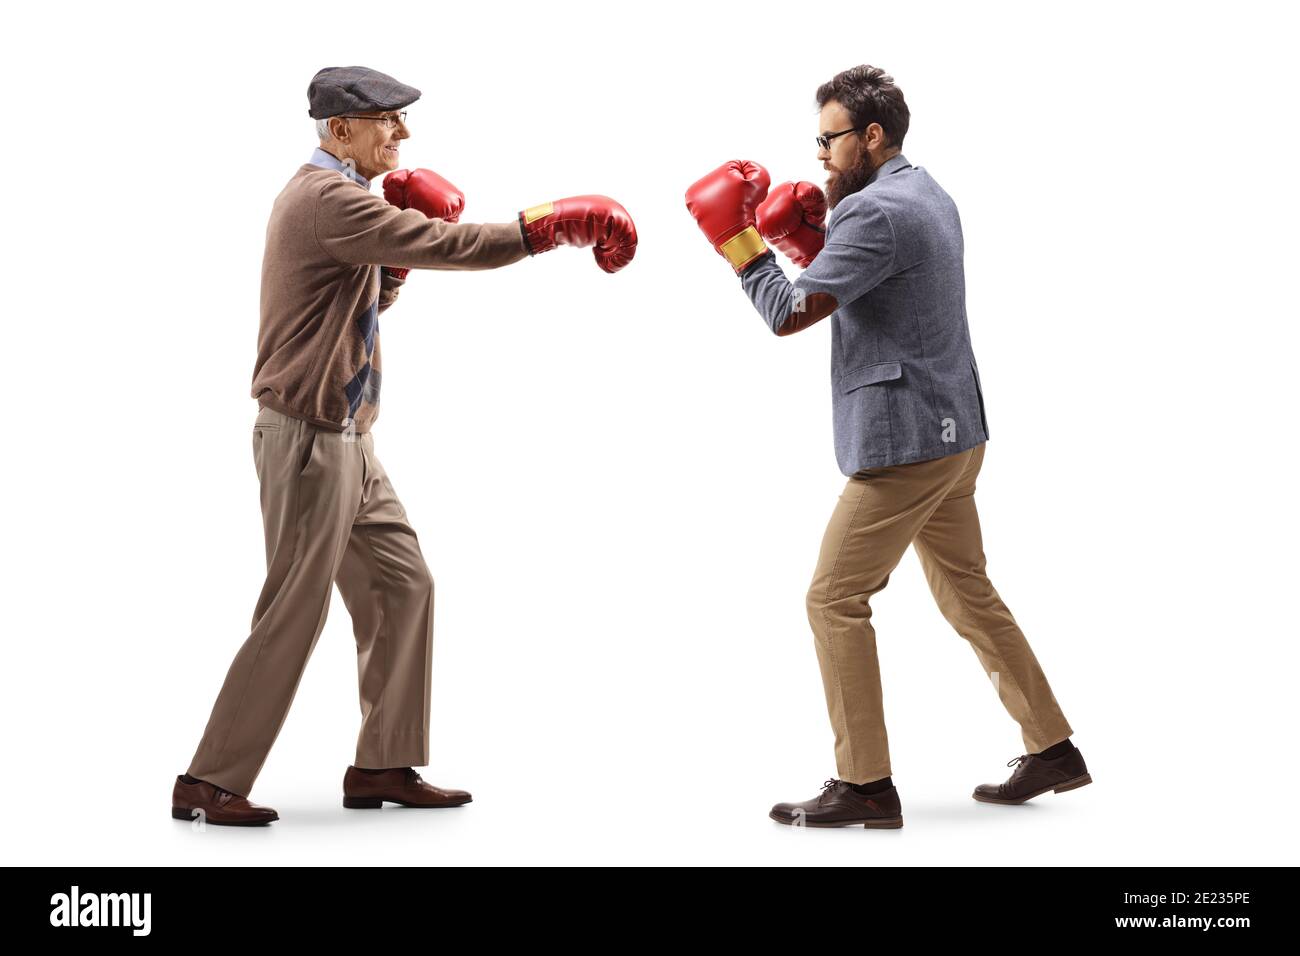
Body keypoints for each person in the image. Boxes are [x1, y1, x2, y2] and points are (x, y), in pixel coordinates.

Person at [173, 65, 637, 826]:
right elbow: (451, 246)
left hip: (350, 438)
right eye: (389, 118)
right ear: (341, 130)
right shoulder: (323, 198)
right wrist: (550, 224)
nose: (403, 133)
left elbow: (371, 296)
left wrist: (390, 273)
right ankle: (208, 780)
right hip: (307, 437)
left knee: (403, 584)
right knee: (295, 609)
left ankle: (383, 762)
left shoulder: (346, 202)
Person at [685, 64, 1088, 829]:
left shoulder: (873, 216)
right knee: (968, 589)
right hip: (956, 433)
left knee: (833, 597)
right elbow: (877, 284)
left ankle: (864, 784)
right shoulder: (924, 190)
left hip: (906, 444)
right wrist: (814, 239)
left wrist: (738, 240)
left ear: (872, 136)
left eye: (830, 140)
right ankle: (1053, 747)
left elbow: (785, 313)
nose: (821, 156)